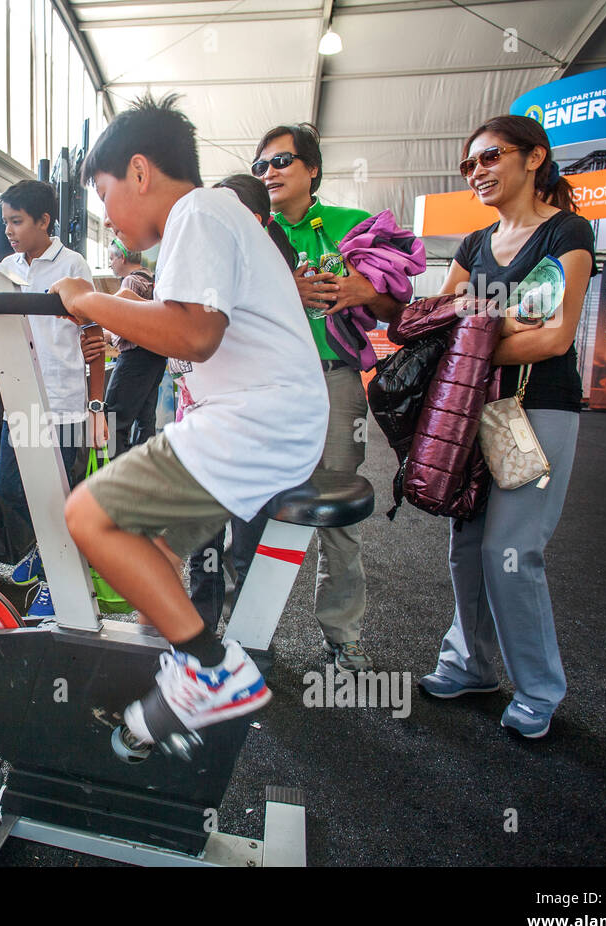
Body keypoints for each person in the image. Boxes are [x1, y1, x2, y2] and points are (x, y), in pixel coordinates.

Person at [51, 94, 328, 751]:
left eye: (104, 190)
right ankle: (180, 688)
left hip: (257, 421)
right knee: (151, 564)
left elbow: (194, 333)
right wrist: (116, 305)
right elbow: (189, 324)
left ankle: (211, 670)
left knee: (87, 516)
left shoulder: (198, 212)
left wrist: (88, 302)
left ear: (140, 171)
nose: (107, 212)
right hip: (271, 422)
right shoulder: (213, 220)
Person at [416, 115, 596, 740]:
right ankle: (469, 664)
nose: (478, 172)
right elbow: (442, 324)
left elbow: (556, 337)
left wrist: (476, 329)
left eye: (490, 157)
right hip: (475, 412)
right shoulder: (471, 245)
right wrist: (500, 322)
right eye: (469, 166)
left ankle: (540, 688)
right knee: (466, 549)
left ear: (534, 157)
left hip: (540, 408)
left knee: (510, 553)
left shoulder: (567, 233)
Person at [250, 122, 404, 674]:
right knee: (250, 505)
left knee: (337, 513)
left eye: (282, 161)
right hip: (264, 383)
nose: (269, 172)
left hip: (336, 379)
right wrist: (282, 288)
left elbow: (396, 310)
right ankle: (238, 630)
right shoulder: (247, 230)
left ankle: (343, 636)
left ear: (313, 169)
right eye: (261, 165)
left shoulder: (355, 227)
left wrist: (368, 291)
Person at [185, 172, 301, 636]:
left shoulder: (273, 275)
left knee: (248, 539)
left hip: (254, 433)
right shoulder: (200, 266)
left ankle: (250, 639)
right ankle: (198, 635)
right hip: (202, 429)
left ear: (256, 219)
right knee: (203, 541)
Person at [0, 179, 106, 615]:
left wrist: (96, 406)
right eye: (5, 221)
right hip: (20, 400)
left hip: (62, 404)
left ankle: (60, 584)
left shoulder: (73, 264)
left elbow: (94, 337)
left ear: (44, 221)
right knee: (9, 486)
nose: (9, 230)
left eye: (17, 221)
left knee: (56, 496)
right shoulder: (7, 266)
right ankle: (46, 554)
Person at [102, 238, 163, 458]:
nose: (110, 264)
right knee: (146, 419)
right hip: (155, 356)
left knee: (114, 419)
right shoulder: (151, 279)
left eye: (111, 258)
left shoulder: (129, 282)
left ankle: (114, 474)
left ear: (123, 257)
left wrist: (110, 335)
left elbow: (129, 322)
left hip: (135, 357)